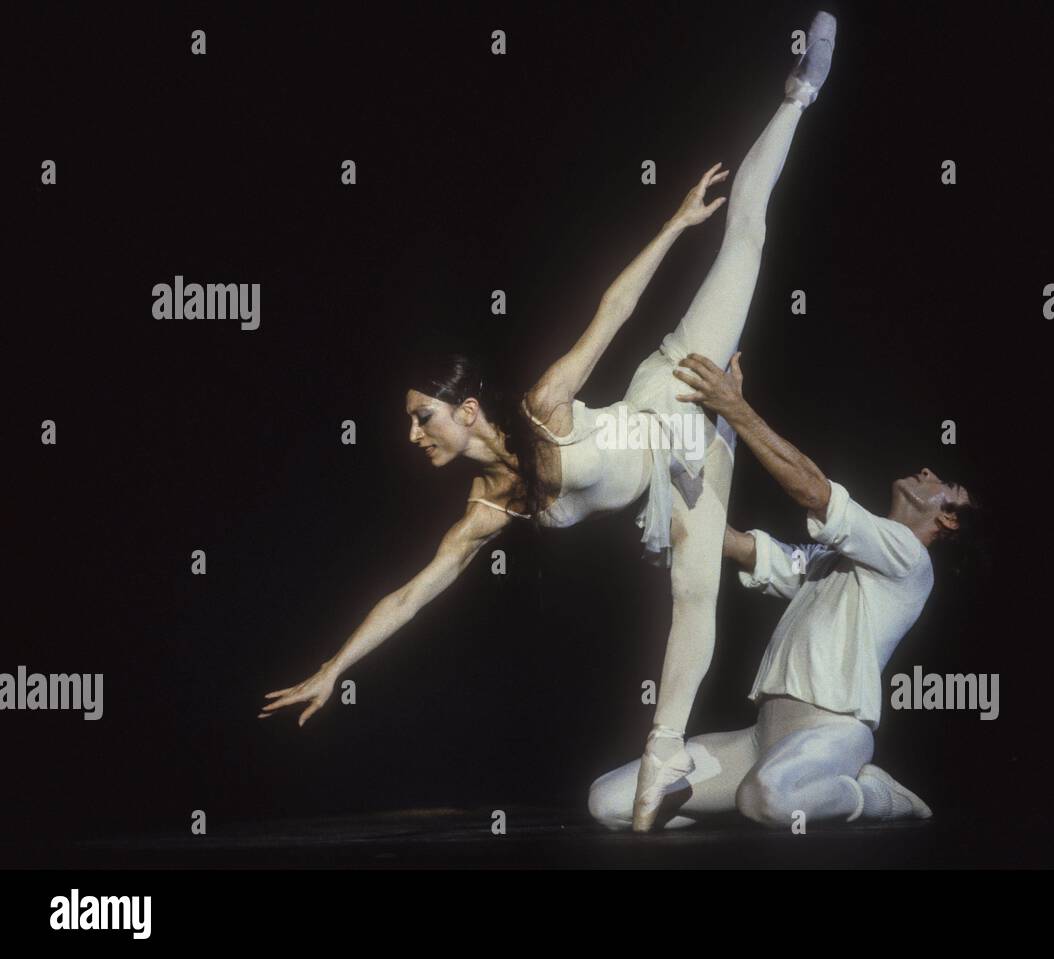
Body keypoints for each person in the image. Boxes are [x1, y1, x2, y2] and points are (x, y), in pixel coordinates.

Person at [261, 13, 841, 831]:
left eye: (422, 417)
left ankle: (798, 94)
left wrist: (676, 222)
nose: (414, 434)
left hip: (670, 392)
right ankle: (665, 755)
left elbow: (616, 306)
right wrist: (332, 667)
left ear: (466, 409)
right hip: (668, 488)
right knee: (692, 585)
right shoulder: (489, 510)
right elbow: (408, 597)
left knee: (744, 235)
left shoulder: (543, 408)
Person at [587, 351, 982, 829]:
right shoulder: (837, 562)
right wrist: (673, 479)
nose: (927, 473)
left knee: (769, 798)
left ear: (948, 519)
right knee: (608, 803)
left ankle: (874, 793)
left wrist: (736, 407)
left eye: (946, 485)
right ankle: (777, 787)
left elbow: (814, 492)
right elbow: (736, 545)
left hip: (833, 733)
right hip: (761, 739)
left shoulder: (908, 559)